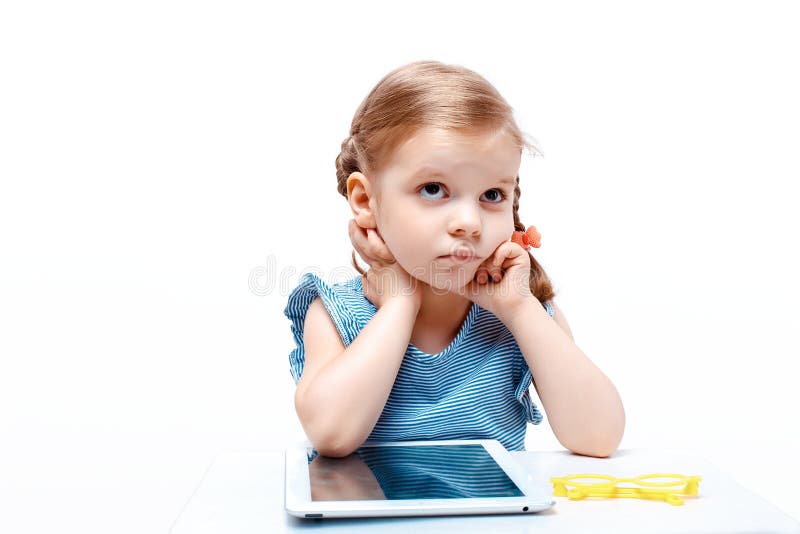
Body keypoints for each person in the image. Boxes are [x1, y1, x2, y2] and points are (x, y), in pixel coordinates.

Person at [284, 60, 625, 458]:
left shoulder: (520, 313)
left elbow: (599, 439)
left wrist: (519, 309)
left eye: (492, 195)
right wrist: (401, 302)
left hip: (492, 523)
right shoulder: (336, 313)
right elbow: (331, 434)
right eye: (433, 189)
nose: (469, 222)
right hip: (375, 524)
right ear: (365, 200)